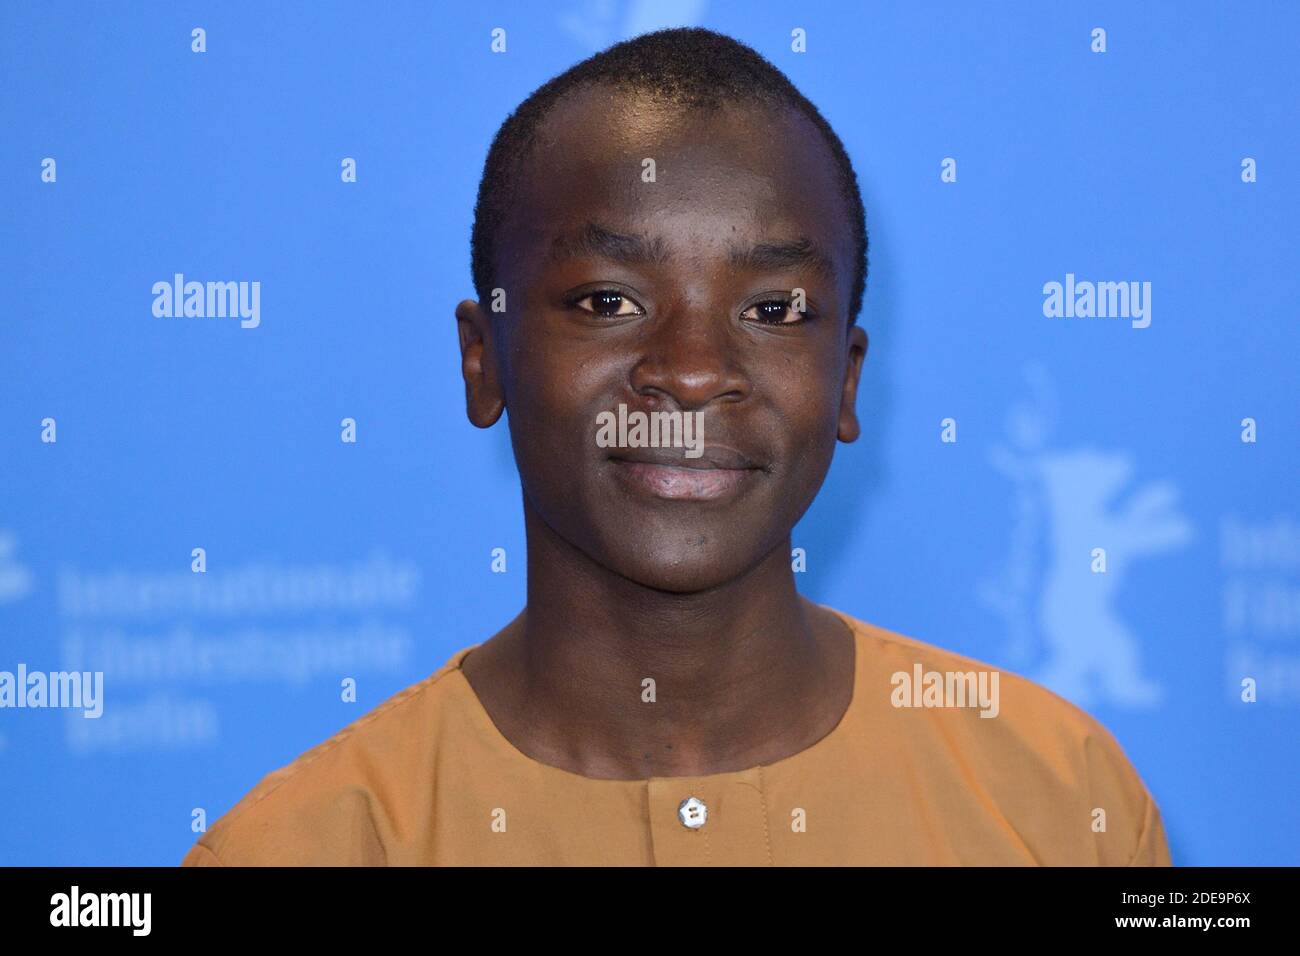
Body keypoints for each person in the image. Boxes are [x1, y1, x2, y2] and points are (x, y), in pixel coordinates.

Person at [182, 27, 1172, 866]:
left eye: (775, 308)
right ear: (482, 361)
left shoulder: (1060, 797)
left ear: (847, 379)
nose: (694, 369)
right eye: (607, 301)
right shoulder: (299, 845)